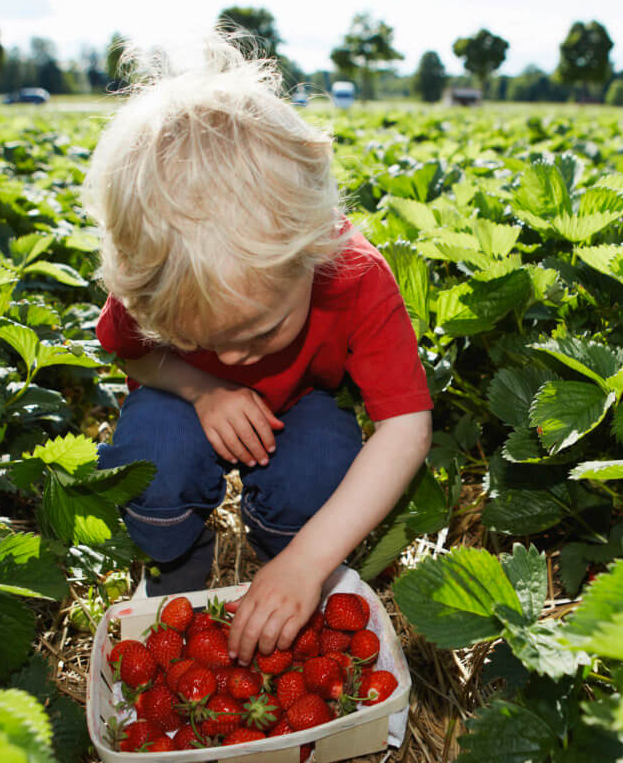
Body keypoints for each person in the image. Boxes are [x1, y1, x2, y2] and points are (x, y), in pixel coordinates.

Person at [82, 34, 433, 666]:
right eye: (197, 340)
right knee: (150, 458)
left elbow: (405, 427)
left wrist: (308, 560)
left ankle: (283, 559)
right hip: (180, 403)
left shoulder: (354, 276)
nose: (234, 360)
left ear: (312, 253)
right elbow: (130, 352)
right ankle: (175, 566)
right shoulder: (155, 269)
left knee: (323, 463)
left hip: (298, 409)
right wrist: (200, 387)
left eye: (260, 333)